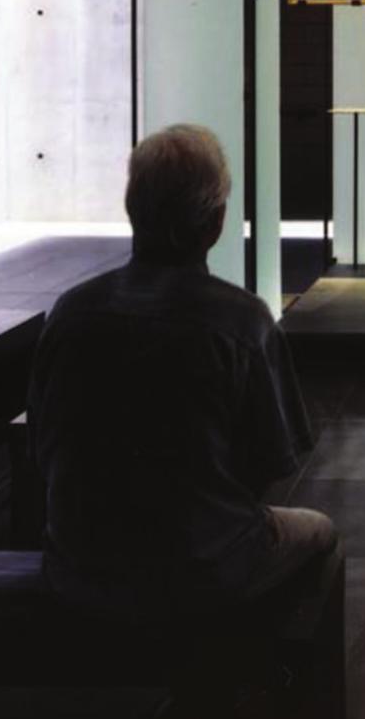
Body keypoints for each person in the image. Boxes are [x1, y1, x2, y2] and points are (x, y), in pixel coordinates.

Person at [29, 125, 336, 622]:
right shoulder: (241, 321)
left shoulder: (70, 312)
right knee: (320, 530)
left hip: (79, 568)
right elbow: (273, 461)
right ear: (215, 222)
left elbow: (44, 444)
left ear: (132, 207)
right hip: (203, 570)